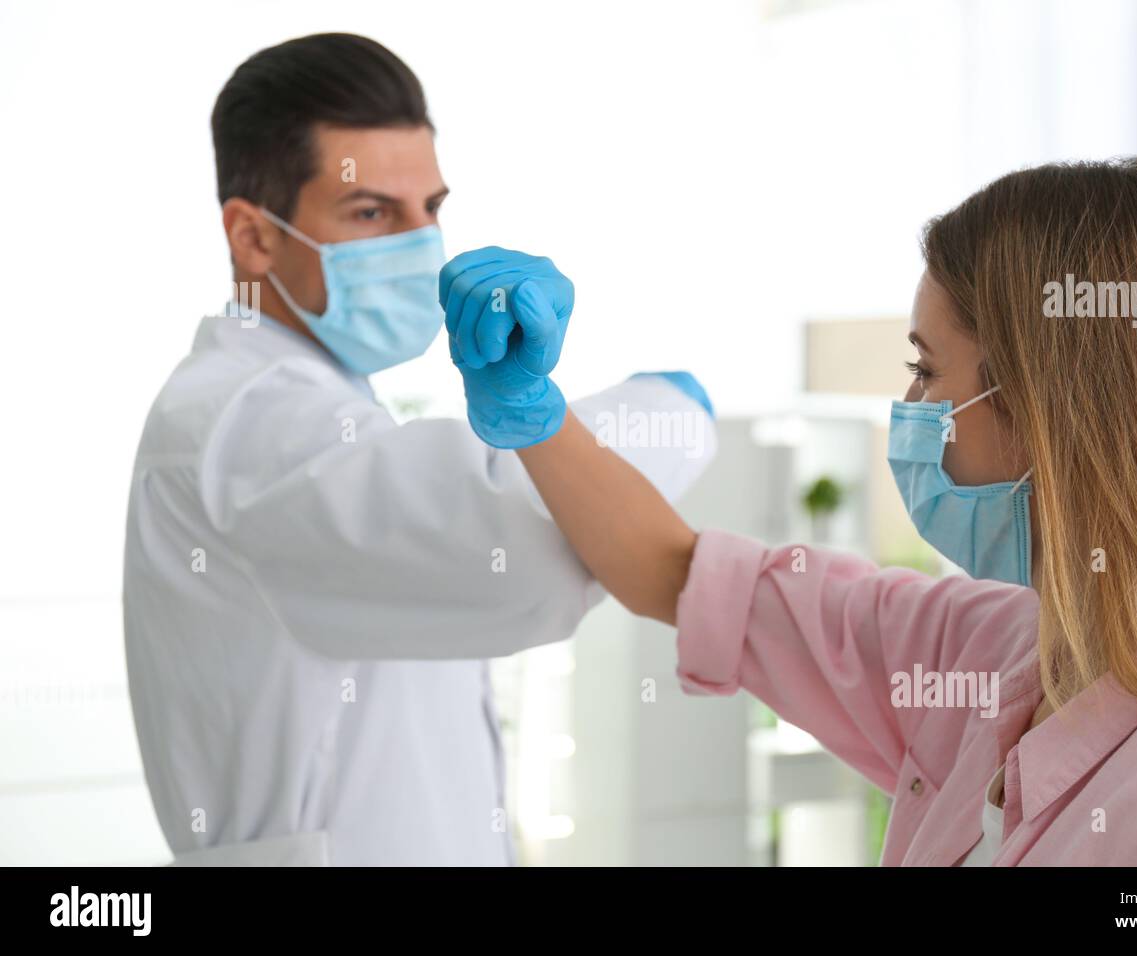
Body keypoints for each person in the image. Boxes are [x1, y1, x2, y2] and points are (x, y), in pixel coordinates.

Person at [449, 157, 1137, 865]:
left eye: (928, 372)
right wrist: (533, 413)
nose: (909, 408)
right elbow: (680, 574)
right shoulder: (987, 656)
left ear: (1053, 412)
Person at [122, 33, 715, 866]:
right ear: (254, 239)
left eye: (430, 209)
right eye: (371, 213)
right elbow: (529, 548)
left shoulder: (313, 401)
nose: (420, 246)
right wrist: (673, 409)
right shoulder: (244, 424)